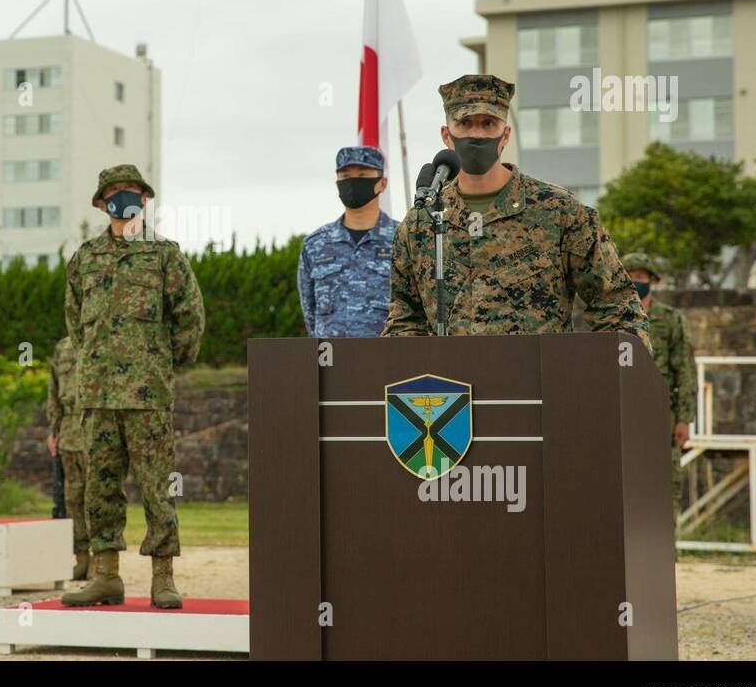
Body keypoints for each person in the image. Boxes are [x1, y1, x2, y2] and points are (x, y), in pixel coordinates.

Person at [382, 74, 649, 350]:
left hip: (541, 387)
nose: (476, 134)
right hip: (451, 390)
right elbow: (405, 322)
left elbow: (616, 306)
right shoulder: (421, 223)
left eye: (488, 124)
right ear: (446, 136)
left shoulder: (559, 211)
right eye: (464, 123)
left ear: (505, 134)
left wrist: (614, 377)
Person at [60, 164, 205, 609]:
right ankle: (105, 574)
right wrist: (96, 365)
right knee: (100, 485)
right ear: (101, 202)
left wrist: (160, 364)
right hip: (98, 395)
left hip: (147, 395)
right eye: (115, 192)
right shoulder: (85, 257)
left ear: (145, 198)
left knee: (156, 486)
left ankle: (163, 576)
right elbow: (75, 323)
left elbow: (190, 318)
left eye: (132, 191)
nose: (124, 197)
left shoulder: (165, 255)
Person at [622, 252, 697, 524]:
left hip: (662, 419)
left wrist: (684, 419)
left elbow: (685, 371)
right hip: (624, 418)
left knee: (666, 490)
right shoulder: (612, 320)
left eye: (640, 277)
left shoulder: (671, 320)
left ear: (652, 280)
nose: (635, 282)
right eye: (629, 276)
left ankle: (667, 556)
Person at [297, 145, 399, 337]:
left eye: (362, 175)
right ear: (337, 183)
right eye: (345, 176)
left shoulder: (403, 240)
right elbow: (310, 313)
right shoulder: (315, 245)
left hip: (389, 360)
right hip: (330, 361)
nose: (352, 182)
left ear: (382, 183)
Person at [46, 335, 89, 580]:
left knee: (99, 497)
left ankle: (104, 562)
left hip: (97, 429)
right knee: (72, 497)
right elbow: (53, 392)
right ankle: (81, 558)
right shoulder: (63, 347)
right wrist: (54, 430)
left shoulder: (106, 339)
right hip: (69, 431)